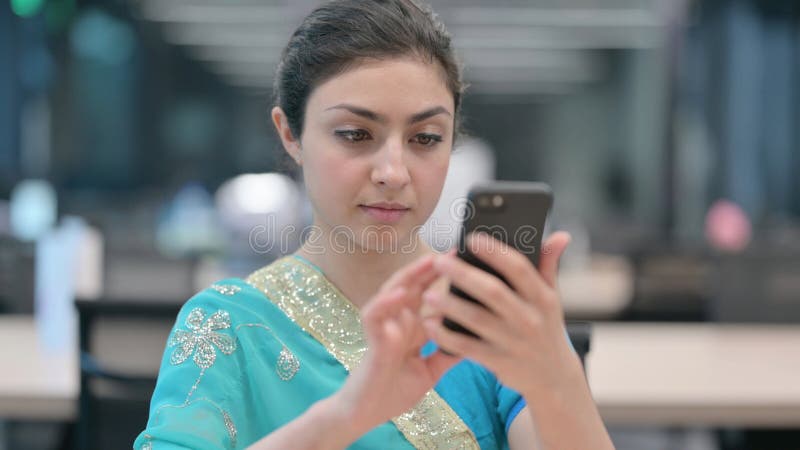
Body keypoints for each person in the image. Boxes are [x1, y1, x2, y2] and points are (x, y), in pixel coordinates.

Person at [134, 1, 614, 449]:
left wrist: (558, 373)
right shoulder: (227, 326)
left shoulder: (482, 319)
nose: (394, 172)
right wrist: (346, 414)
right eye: (355, 134)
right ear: (290, 134)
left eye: (425, 138)